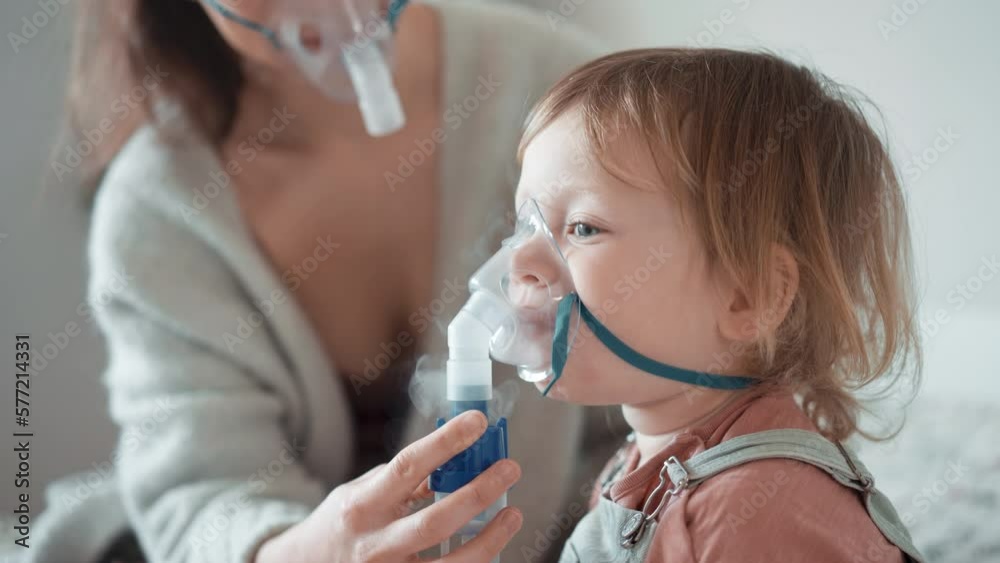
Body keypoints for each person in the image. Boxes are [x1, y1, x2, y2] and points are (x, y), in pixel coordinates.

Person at [28, 1, 620, 562]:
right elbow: (204, 492)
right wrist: (301, 550)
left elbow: (665, 391)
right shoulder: (159, 211)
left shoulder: (565, 93)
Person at [499, 48, 926, 562]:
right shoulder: (645, 466)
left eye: (584, 228)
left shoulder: (756, 516)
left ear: (750, 295)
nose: (520, 258)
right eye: (527, 223)